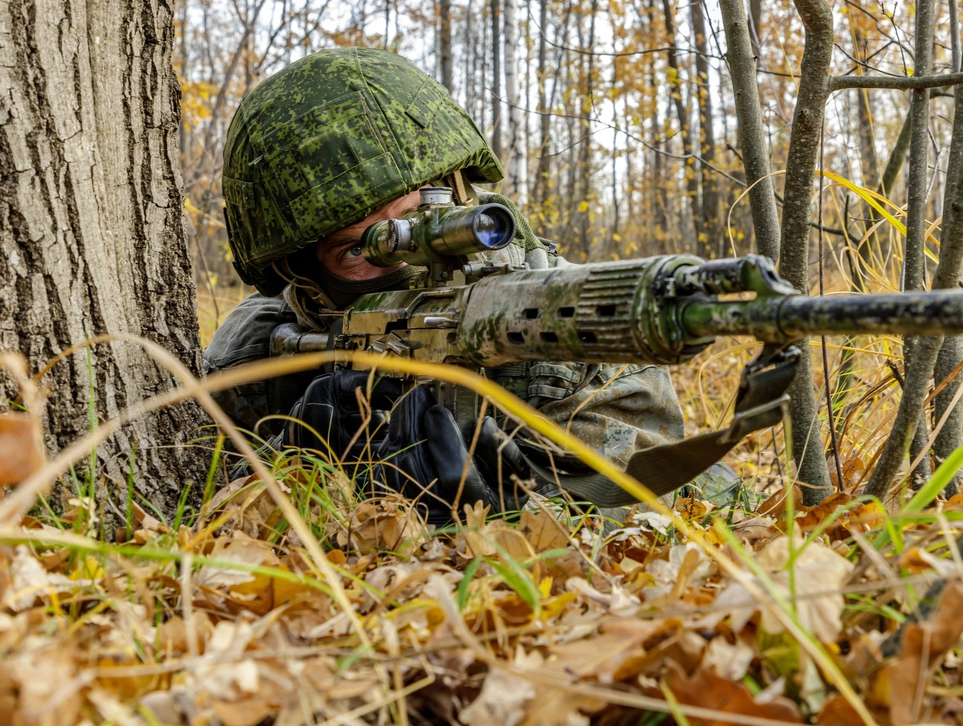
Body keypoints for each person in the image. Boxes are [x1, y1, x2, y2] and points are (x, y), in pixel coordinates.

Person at [204, 47, 731, 523]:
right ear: (301, 274)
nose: (402, 255)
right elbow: (201, 521)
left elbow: (679, 507)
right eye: (355, 248)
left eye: (417, 219)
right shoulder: (256, 358)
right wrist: (300, 464)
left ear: (461, 199)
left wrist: (511, 515)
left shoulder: (568, 319)